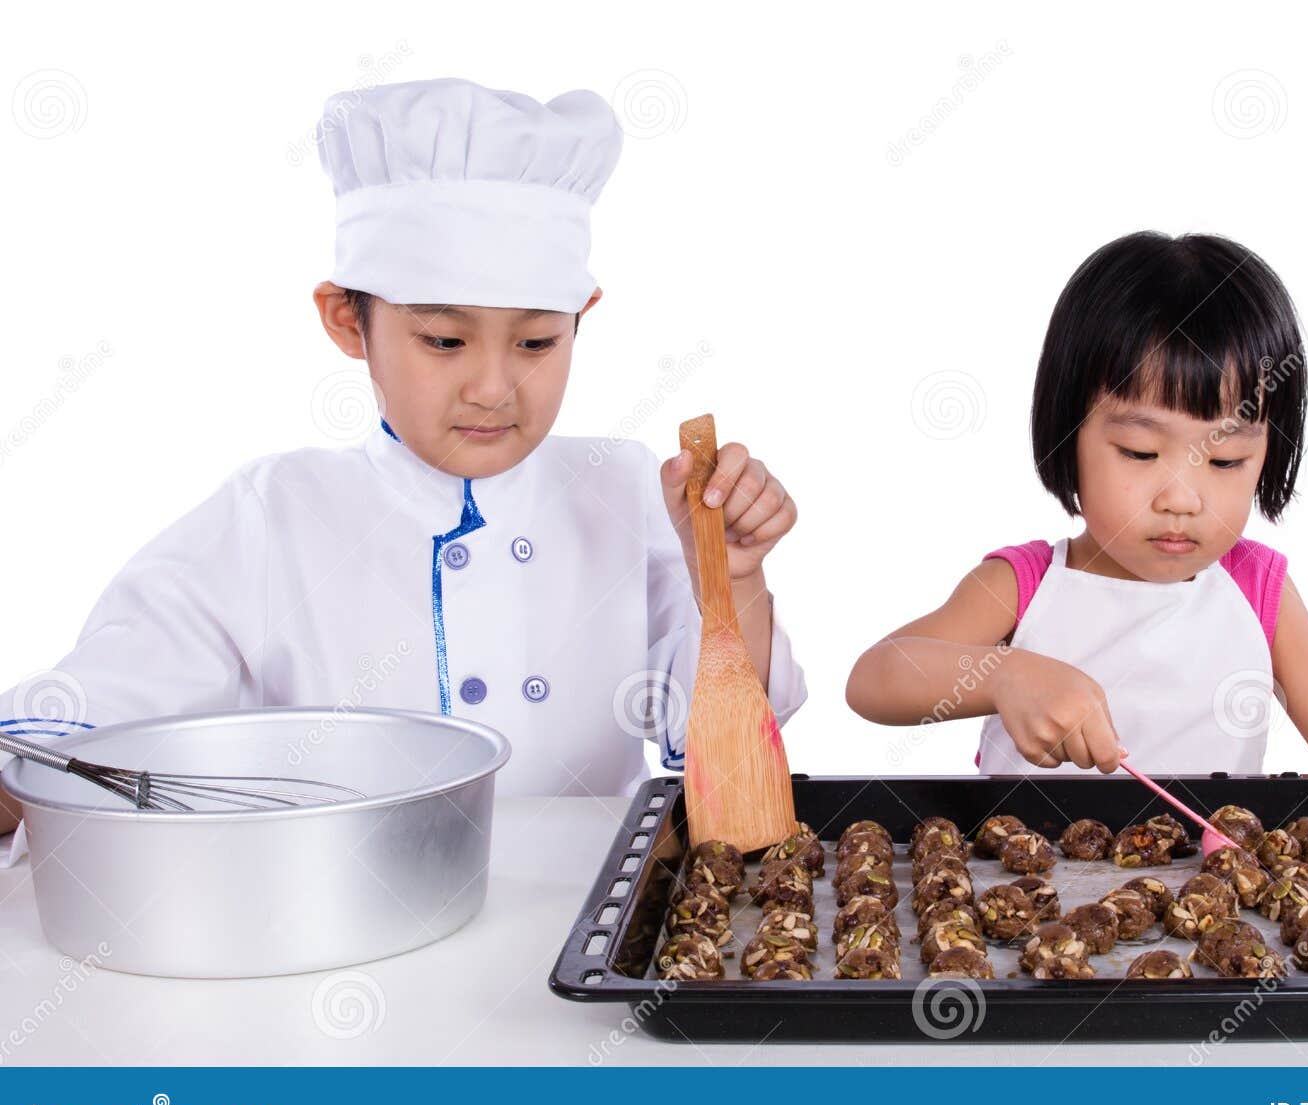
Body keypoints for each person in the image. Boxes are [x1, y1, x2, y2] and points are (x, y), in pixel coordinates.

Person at [1, 78, 805, 837]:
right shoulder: (274, 515)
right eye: (444, 340)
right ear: (349, 322)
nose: (493, 387)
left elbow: (718, 749)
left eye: (536, 341)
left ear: (581, 317)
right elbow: (83, 721)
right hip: (338, 938)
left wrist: (732, 579)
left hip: (596, 924)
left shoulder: (630, 489)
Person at [846, 231, 1308, 831]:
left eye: (1224, 461)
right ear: (1068, 434)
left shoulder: (1256, 589)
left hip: (1211, 908)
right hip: (1027, 894)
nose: (1181, 497)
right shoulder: (1026, 583)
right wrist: (1002, 673)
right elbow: (875, 679)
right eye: (1138, 451)